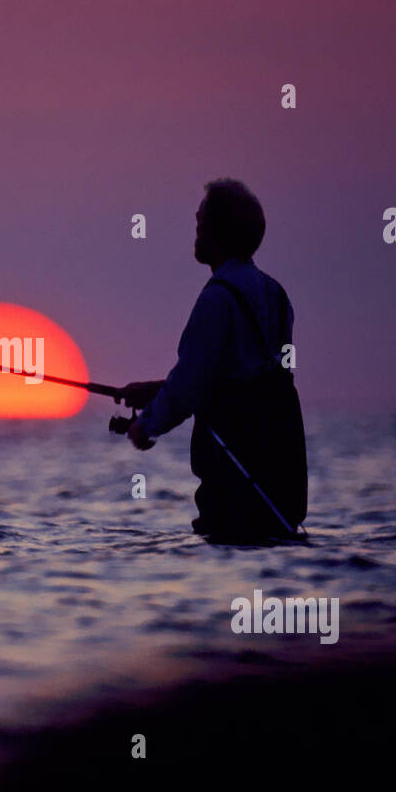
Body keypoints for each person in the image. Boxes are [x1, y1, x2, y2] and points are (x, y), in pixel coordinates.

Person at [119, 179, 307, 542]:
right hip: (281, 460)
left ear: (217, 230)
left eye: (201, 219)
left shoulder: (217, 299)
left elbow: (193, 383)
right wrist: (153, 391)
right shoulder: (276, 294)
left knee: (227, 543)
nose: (196, 225)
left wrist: (147, 425)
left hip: (233, 462)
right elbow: (240, 375)